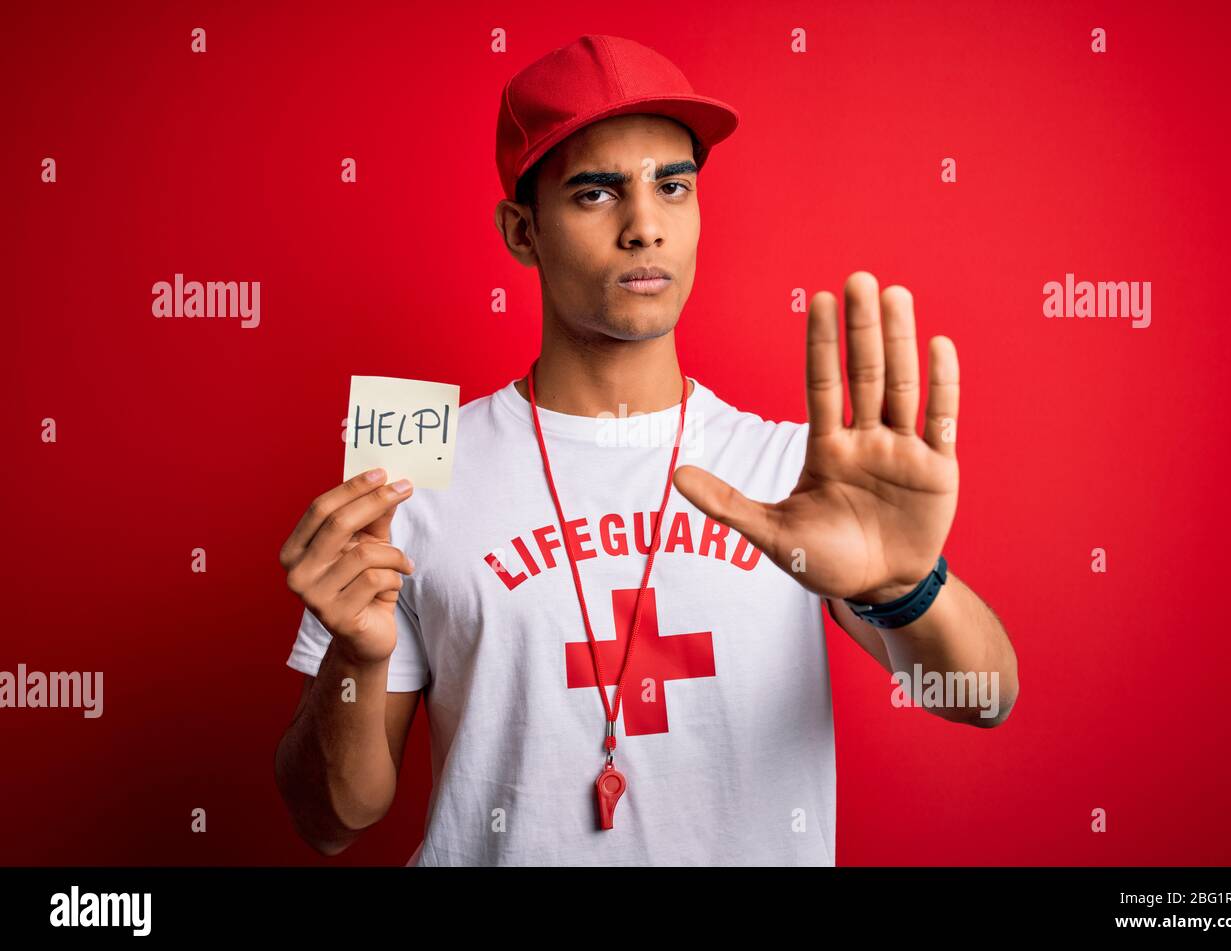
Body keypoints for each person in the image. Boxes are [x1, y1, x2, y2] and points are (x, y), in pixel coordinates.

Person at [273, 34, 1018, 866]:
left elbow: (985, 701)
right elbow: (333, 822)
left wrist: (905, 585)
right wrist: (353, 656)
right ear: (523, 231)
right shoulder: (414, 469)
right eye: (596, 194)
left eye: (673, 185)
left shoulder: (791, 473)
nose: (645, 227)